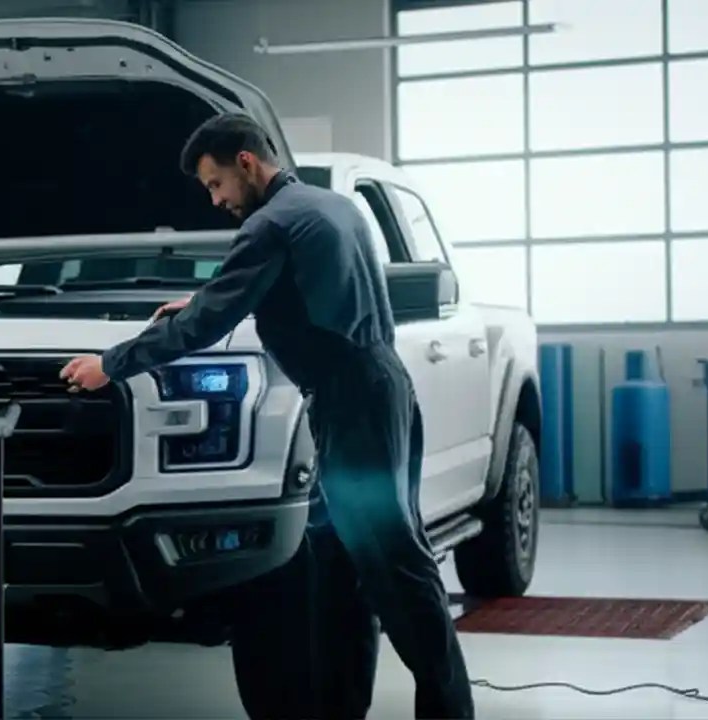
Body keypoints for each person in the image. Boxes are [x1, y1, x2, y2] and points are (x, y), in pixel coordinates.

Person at [59, 113, 475, 719]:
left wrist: (110, 364)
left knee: (393, 569)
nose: (217, 199)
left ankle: (448, 712)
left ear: (246, 163)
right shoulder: (326, 207)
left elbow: (208, 324)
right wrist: (201, 300)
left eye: (216, 184)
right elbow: (291, 295)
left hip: (352, 409)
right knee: (341, 569)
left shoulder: (269, 224)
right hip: (379, 392)